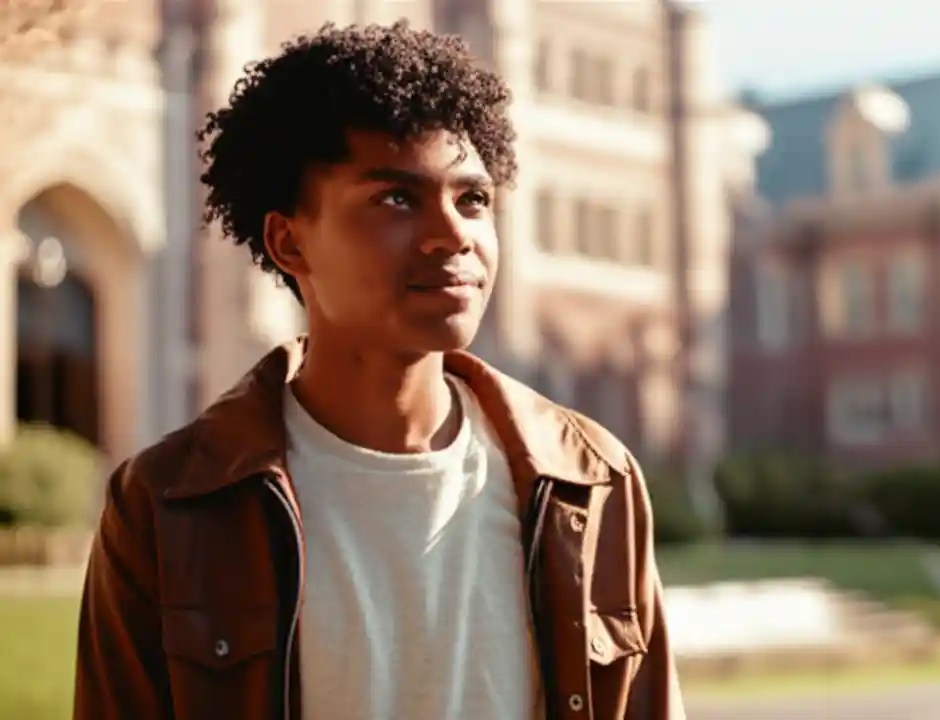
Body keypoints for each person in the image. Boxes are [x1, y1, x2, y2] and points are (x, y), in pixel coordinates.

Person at [74, 22, 684, 720]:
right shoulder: (167, 506)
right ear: (288, 241)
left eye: (473, 199)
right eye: (397, 199)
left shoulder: (592, 481)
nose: (453, 236)